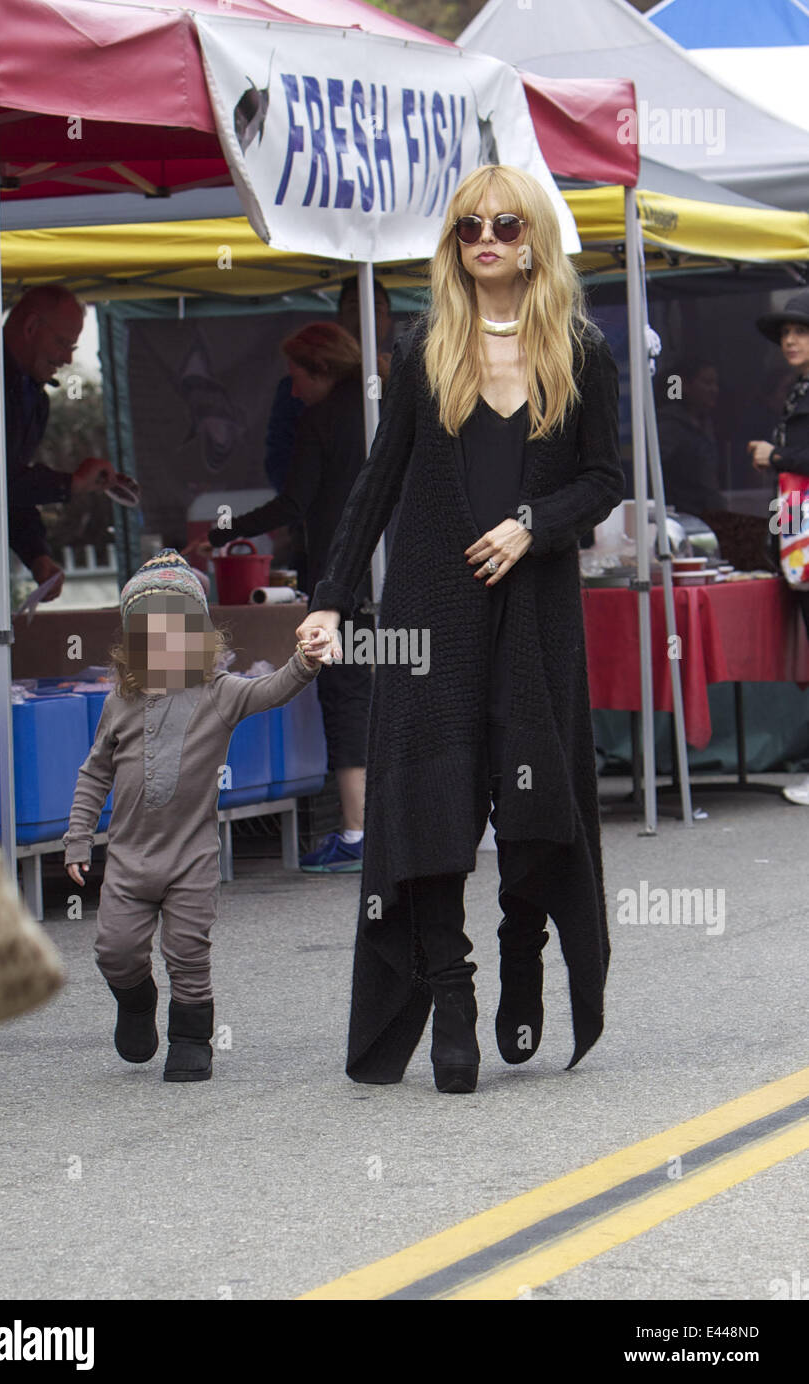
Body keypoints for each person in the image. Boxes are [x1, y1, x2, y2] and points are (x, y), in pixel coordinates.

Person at [297, 163, 624, 1094]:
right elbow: (375, 484)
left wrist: (534, 524)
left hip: (536, 616)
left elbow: (606, 478)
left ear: (533, 240)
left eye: (507, 225)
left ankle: (525, 961)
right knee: (430, 803)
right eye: (471, 227)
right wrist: (331, 596)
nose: (488, 239)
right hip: (432, 616)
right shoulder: (427, 346)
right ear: (455, 244)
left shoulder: (583, 351)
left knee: (535, 799)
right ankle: (451, 996)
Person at [62, 549, 328, 1081]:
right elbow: (94, 774)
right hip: (129, 859)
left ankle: (190, 1039)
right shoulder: (120, 701)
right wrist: (77, 839)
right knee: (114, 950)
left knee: (187, 952)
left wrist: (305, 662)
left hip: (191, 858)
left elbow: (270, 690)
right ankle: (137, 1004)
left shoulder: (220, 693)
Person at [208, 323, 386, 871]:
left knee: (346, 695)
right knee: (398, 693)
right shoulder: (384, 411)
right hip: (395, 570)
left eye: (296, 377)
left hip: (344, 578)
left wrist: (221, 532)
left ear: (323, 370)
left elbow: (294, 502)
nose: (292, 391)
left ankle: (357, 833)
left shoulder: (321, 419)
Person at [0, 285, 131, 679]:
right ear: (31, 326)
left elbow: (7, 484)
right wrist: (69, 484)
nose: (66, 358)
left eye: (73, 348)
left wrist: (35, 554)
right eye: (63, 343)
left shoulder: (34, 396)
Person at [261, 276, 393, 586]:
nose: (366, 314)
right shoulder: (298, 391)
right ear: (339, 316)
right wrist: (304, 506)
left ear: (387, 318)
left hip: (390, 527)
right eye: (354, 306)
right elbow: (280, 457)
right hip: (323, 530)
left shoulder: (400, 381)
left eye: (377, 307)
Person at [749, 288, 809, 805]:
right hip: (798, 535)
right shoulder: (798, 388)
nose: (790, 340)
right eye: (786, 333)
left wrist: (777, 455)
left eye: (800, 331)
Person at [656, 358, 726, 516]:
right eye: (707, 383)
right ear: (686, 386)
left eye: (716, 383)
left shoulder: (705, 423)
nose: (714, 389)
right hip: (682, 518)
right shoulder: (670, 425)